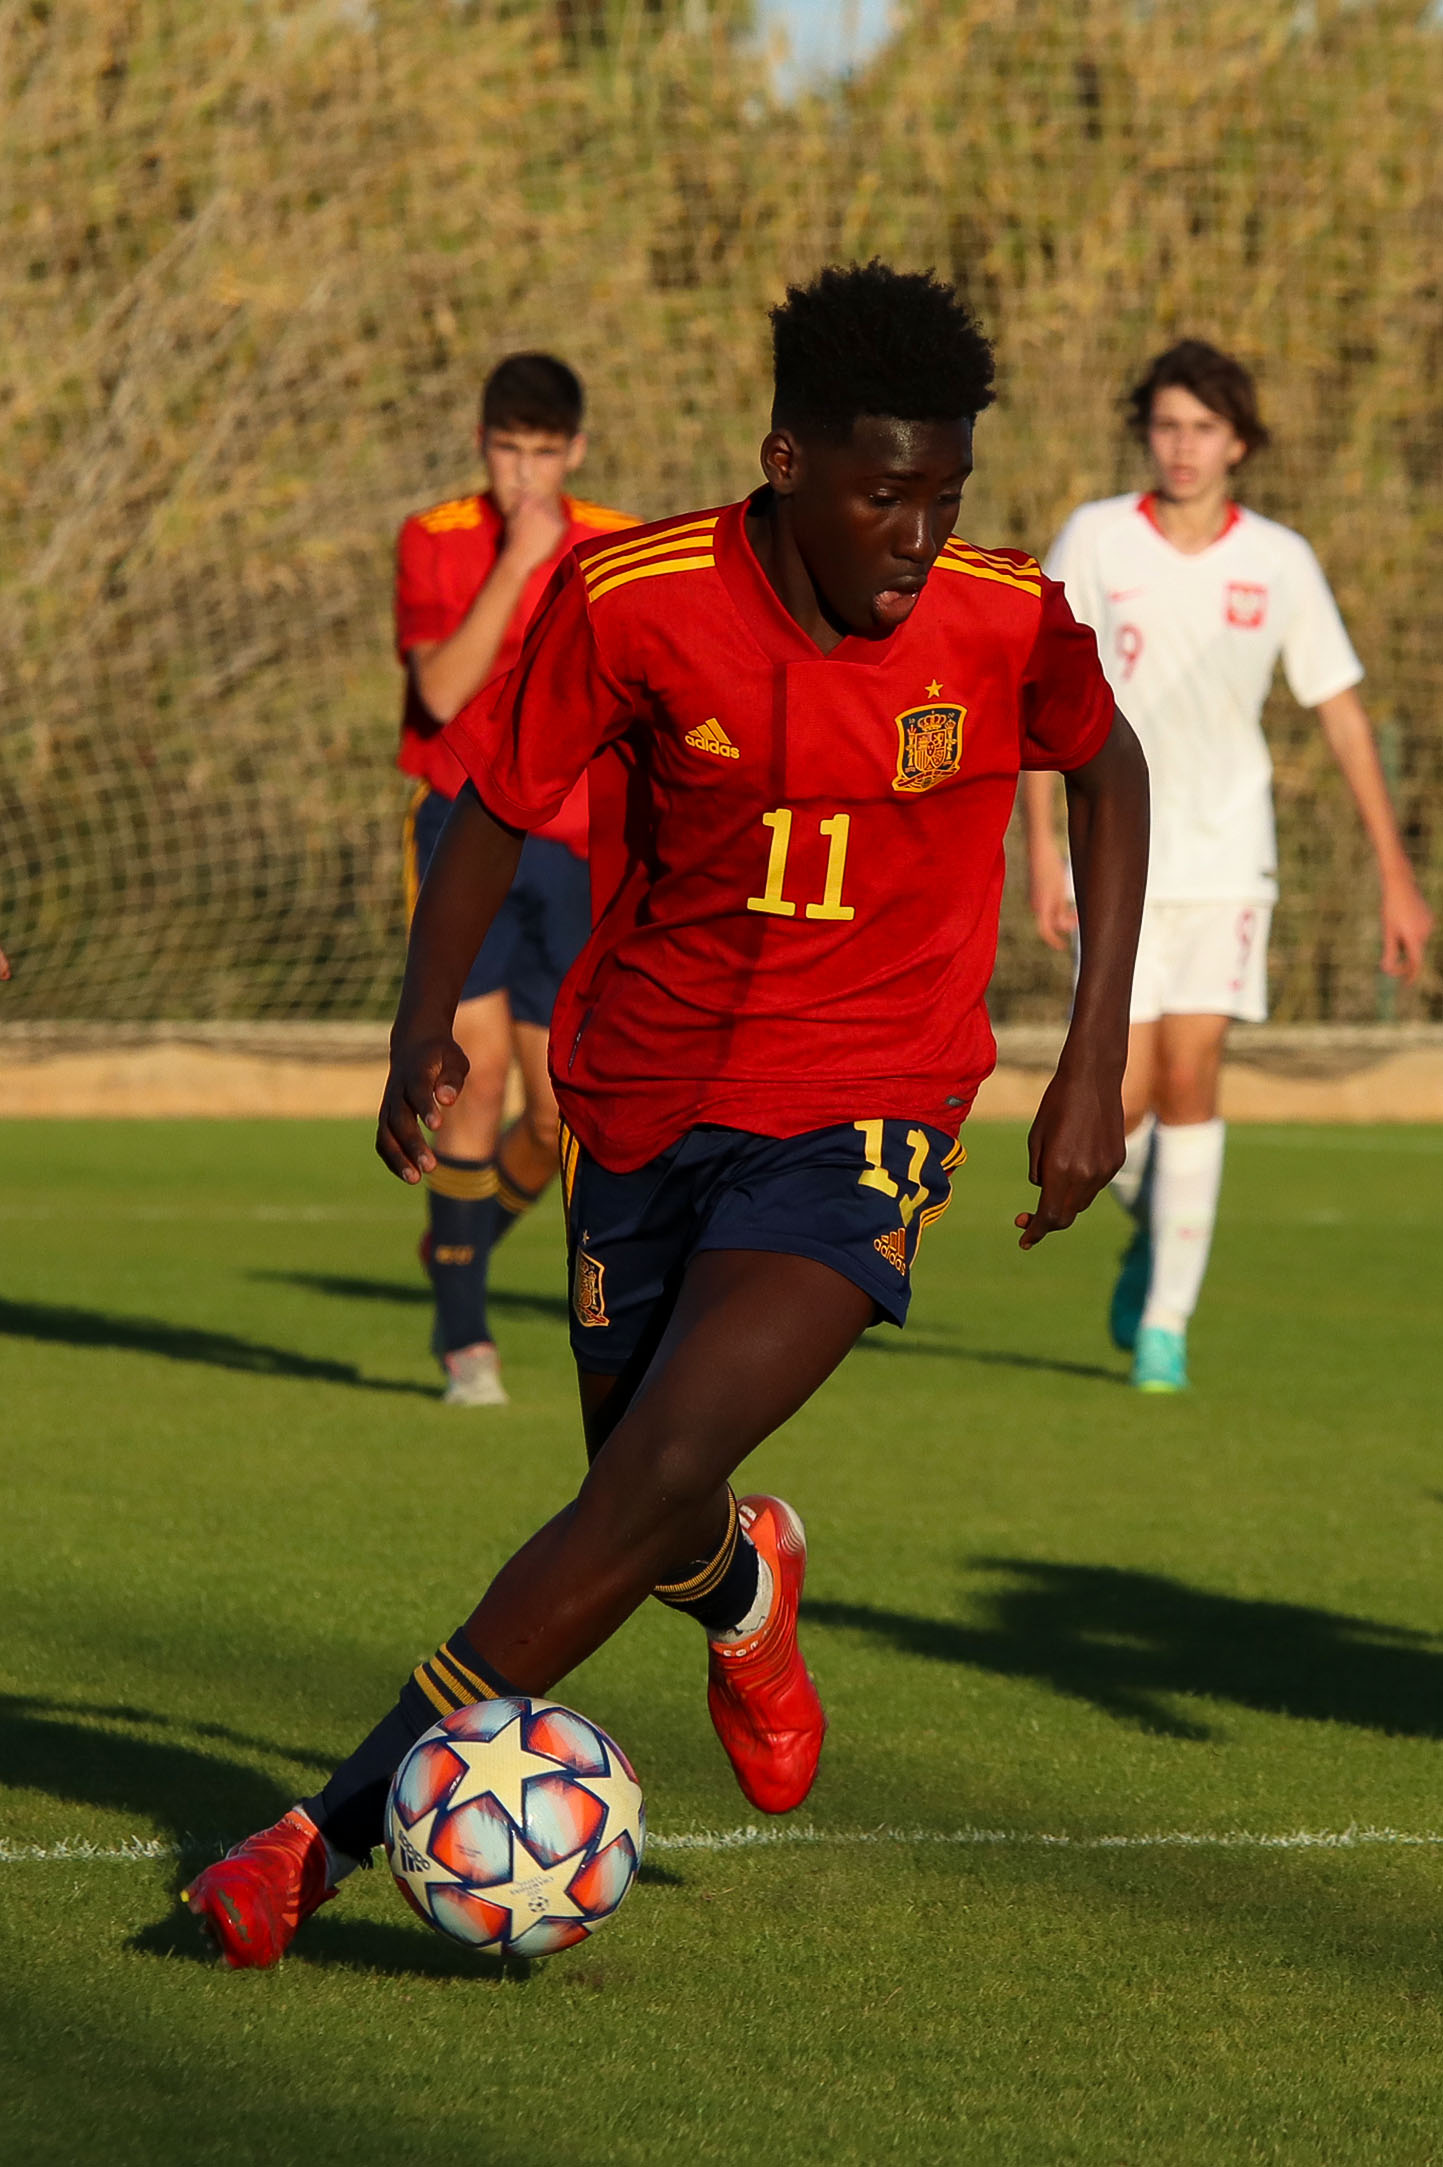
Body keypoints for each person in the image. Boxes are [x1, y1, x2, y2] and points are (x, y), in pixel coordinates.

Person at [183, 260, 1150, 1968]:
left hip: (863, 1105)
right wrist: (423, 1021)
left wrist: (1092, 1055)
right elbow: (493, 797)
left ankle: (314, 1835)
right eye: (878, 495)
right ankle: (745, 1586)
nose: (913, 536)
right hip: (638, 1103)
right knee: (643, 1497)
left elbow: (1109, 763)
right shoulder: (634, 595)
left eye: (941, 495)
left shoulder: (1003, 613)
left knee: (650, 1471)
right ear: (785, 464)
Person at [1023, 339, 1432, 1394]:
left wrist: (1395, 870)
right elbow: (1038, 692)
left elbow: (1340, 713)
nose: (1183, 446)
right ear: (1145, 434)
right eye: (1166, 425)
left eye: (1204, 428)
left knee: (1196, 1077)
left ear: (1239, 443)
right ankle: (1155, 1237)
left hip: (1228, 858)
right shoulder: (1098, 539)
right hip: (1114, 857)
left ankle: (1165, 1326)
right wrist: (1038, 848)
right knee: (1122, 1092)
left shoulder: (1280, 561)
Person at [396, 351, 635, 1406]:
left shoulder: (622, 545)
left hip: (578, 846)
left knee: (555, 1119)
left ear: (575, 450)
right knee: (473, 1073)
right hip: (464, 824)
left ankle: (463, 1240)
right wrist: (516, 563)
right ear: (481, 443)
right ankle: (465, 1345)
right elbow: (443, 694)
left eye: (545, 453)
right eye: (507, 450)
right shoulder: (437, 538)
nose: (525, 475)